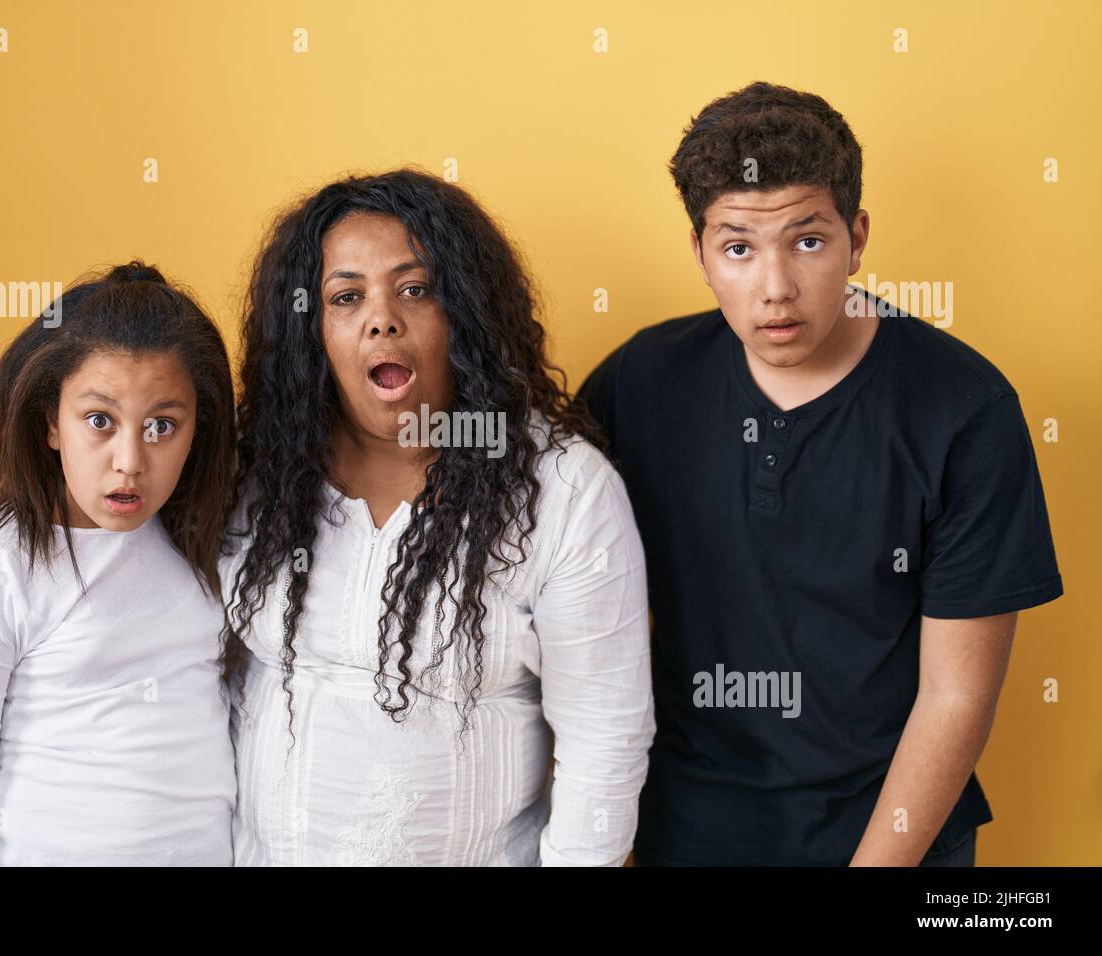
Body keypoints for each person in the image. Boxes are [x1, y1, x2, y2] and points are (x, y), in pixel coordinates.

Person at [579, 82, 1063, 866]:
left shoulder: (965, 409)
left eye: (808, 241)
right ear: (700, 253)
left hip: (895, 837)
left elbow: (958, 694)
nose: (775, 287)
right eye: (738, 247)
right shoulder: (638, 385)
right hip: (686, 830)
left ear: (857, 236)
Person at [219, 168, 655, 866]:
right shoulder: (253, 476)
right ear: (312, 328)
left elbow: (604, 741)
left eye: (416, 290)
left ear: (468, 315)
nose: (381, 317)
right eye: (347, 296)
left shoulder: (565, 491)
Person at [0, 261, 240, 865]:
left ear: (197, 430)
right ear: (52, 422)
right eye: (99, 421)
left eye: (162, 425)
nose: (129, 460)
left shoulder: (206, 548)